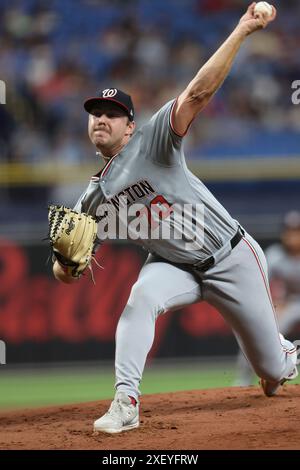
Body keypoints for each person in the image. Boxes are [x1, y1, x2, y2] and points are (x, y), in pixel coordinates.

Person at [53, 3, 298, 434]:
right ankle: (126, 402)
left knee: (272, 372)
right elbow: (67, 274)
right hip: (171, 265)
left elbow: (198, 93)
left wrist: (242, 29)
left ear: (130, 126)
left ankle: (283, 354)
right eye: (95, 114)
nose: (102, 120)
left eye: (112, 114)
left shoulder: (153, 140)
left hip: (230, 257)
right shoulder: (91, 198)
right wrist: (65, 265)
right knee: (138, 301)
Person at [234, 210, 300, 386]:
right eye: (289, 231)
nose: (292, 236)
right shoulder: (276, 255)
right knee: (258, 329)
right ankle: (243, 380)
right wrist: (274, 304)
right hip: (289, 303)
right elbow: (260, 285)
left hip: (294, 302)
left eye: (297, 231)